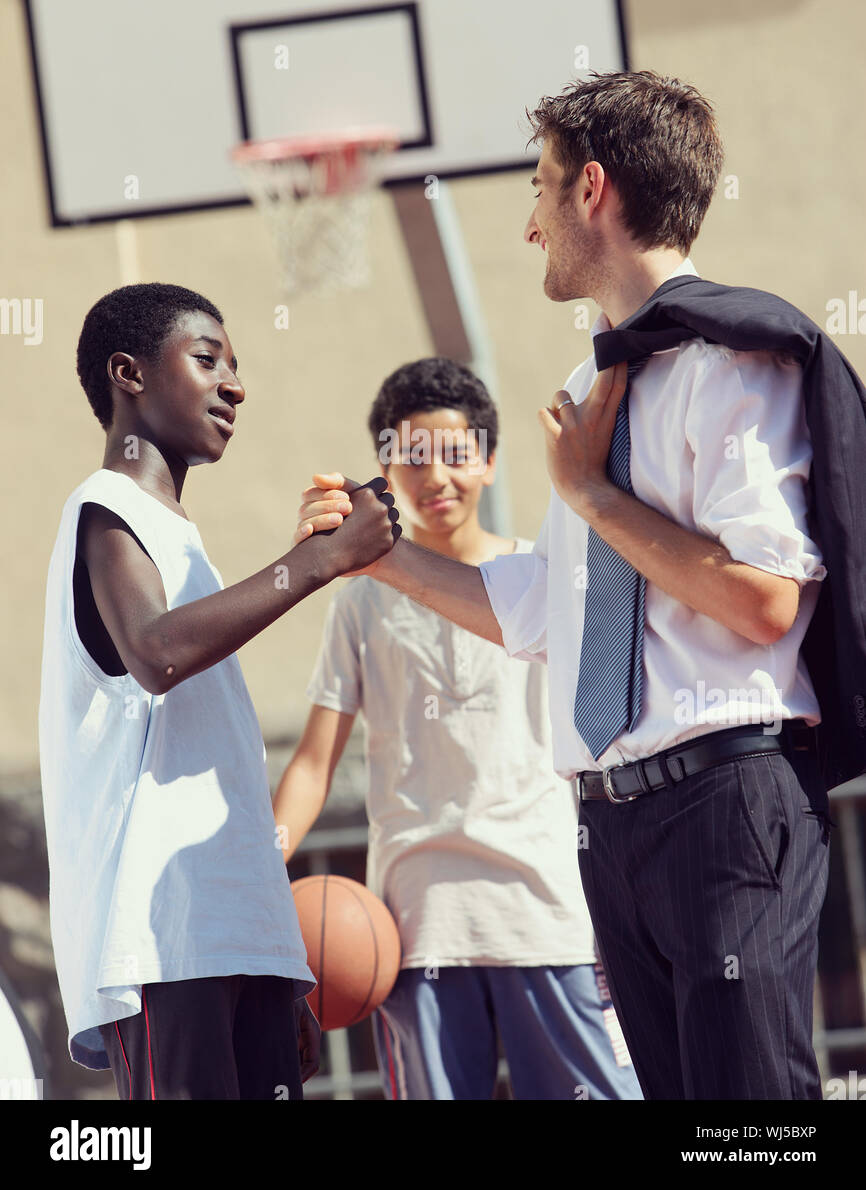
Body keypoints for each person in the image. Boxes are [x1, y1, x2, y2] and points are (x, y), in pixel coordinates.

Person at [294, 71, 835, 1100]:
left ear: (591, 189)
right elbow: (546, 607)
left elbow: (764, 600)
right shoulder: (591, 383)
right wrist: (373, 551)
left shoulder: (733, 361)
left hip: (724, 800)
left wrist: (588, 492)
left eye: (538, 189)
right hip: (613, 822)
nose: (528, 225)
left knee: (752, 1120)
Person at [38, 282, 400, 1100]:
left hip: (237, 939)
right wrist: (318, 562)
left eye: (237, 366)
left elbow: (220, 778)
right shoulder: (103, 510)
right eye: (208, 360)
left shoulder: (185, 543)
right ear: (127, 374)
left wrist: (273, 949)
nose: (235, 384)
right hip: (163, 943)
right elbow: (156, 653)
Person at [274, 357, 642, 1101]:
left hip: (547, 908)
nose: (434, 476)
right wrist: (260, 863)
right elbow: (314, 763)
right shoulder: (361, 599)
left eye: (454, 454)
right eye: (411, 457)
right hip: (417, 926)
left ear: (490, 461)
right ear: (385, 467)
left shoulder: (536, 576)